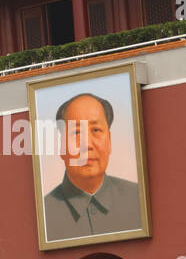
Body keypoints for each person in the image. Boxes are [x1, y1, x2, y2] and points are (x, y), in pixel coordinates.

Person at [41, 92, 144, 241]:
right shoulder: (44, 215)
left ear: (109, 141)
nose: (87, 145)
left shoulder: (138, 199)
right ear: (61, 147)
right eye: (76, 132)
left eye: (96, 130)